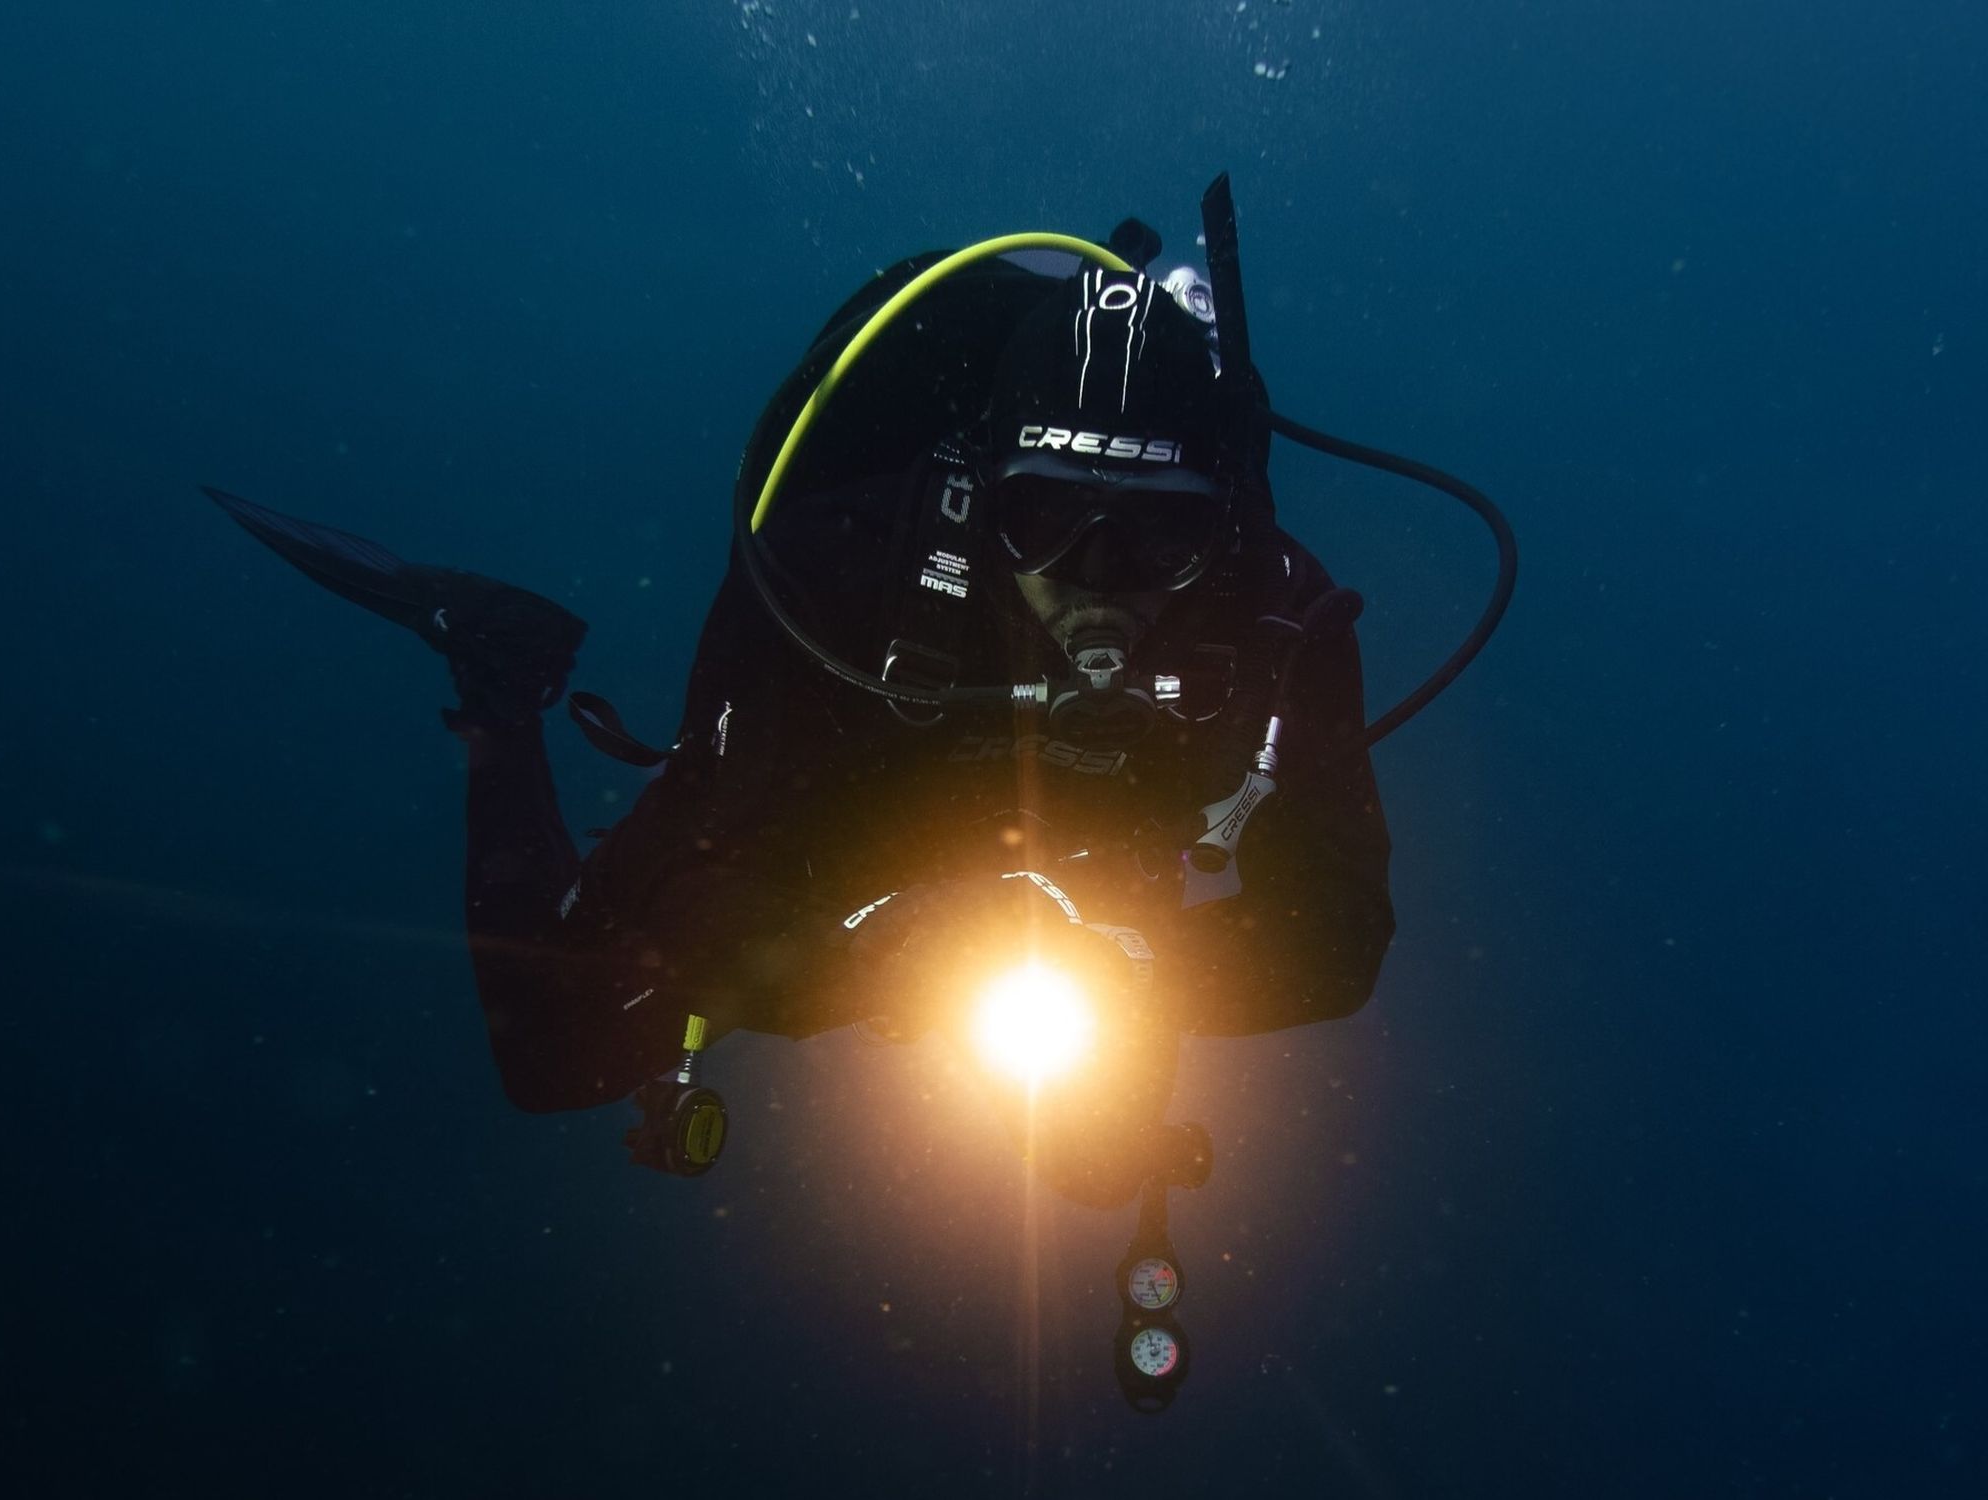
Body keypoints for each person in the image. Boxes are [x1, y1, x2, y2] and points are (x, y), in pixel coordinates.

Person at [210, 211, 1412, 1208]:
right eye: (1049, 518)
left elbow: (1339, 933)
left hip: (1097, 915)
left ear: (1223, 527)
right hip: (838, 830)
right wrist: (876, 948)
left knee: (1093, 1170)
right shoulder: (839, 565)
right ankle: (498, 675)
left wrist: (1132, 961)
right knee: (554, 1057)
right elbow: (696, 887)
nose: (1096, 583)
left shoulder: (1282, 619)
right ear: (982, 485)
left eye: (1156, 533)